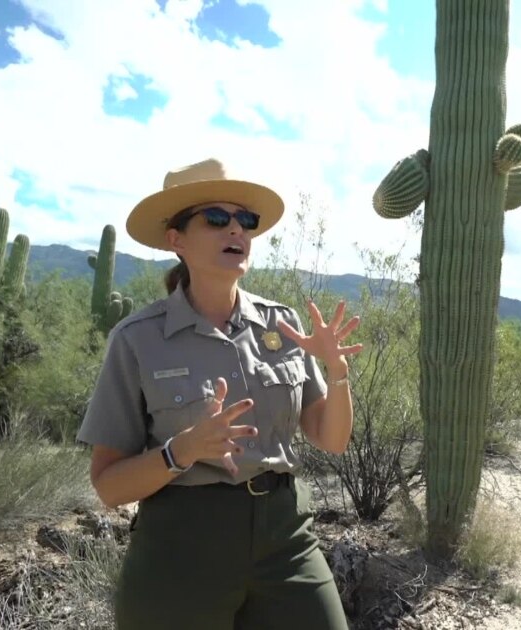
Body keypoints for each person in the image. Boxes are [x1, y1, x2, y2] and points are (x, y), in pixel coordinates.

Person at [76, 157, 363, 629]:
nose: (237, 229)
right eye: (216, 218)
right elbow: (109, 485)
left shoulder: (281, 324)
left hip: (284, 536)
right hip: (182, 544)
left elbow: (330, 439)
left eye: (245, 220)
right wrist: (181, 450)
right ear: (176, 239)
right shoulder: (136, 339)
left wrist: (337, 373)